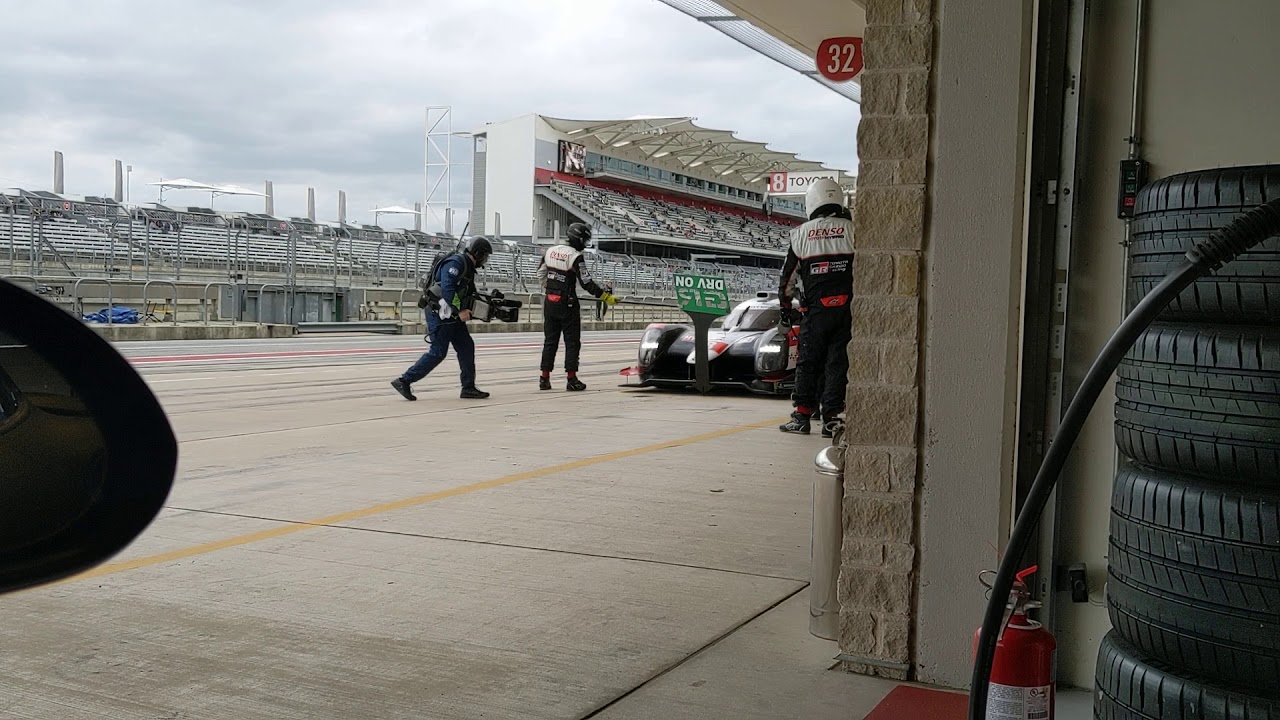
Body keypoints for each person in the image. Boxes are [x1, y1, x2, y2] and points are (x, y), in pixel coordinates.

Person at [777, 178, 855, 436]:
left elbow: (787, 279)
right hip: (846, 310)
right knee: (838, 363)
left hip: (814, 313)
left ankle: (801, 416)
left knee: (807, 363)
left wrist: (785, 310)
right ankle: (832, 419)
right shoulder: (853, 230)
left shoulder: (800, 235)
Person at [390, 236, 494, 402]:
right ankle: (404, 381)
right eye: (485, 256)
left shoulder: (467, 267)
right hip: (438, 313)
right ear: (478, 253)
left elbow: (468, 292)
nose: (486, 260)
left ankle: (468, 387)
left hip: (450, 314)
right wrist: (460, 310)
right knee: (438, 352)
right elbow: (447, 288)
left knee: (466, 346)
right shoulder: (456, 263)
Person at [534, 222, 620, 391]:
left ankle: (544, 378)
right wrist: (605, 296)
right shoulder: (575, 256)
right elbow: (586, 282)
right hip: (568, 304)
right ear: (579, 239)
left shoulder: (550, 251)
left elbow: (540, 273)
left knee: (550, 342)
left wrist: (550, 288)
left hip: (550, 302)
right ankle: (571, 379)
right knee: (572, 343)